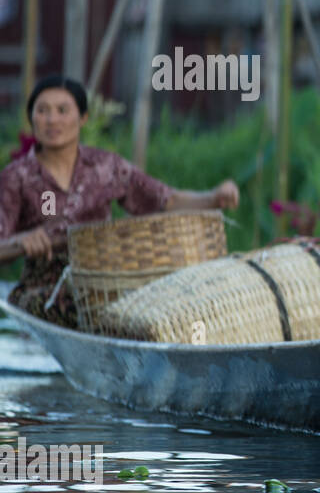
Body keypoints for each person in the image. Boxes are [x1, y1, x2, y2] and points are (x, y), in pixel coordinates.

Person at [0, 75, 240, 327]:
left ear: (83, 118)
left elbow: (165, 200)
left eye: (62, 110)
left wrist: (214, 197)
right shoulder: (16, 177)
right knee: (88, 304)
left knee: (163, 295)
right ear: (32, 119)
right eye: (43, 111)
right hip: (46, 290)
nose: (52, 120)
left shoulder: (106, 167)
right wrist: (20, 242)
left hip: (106, 279)